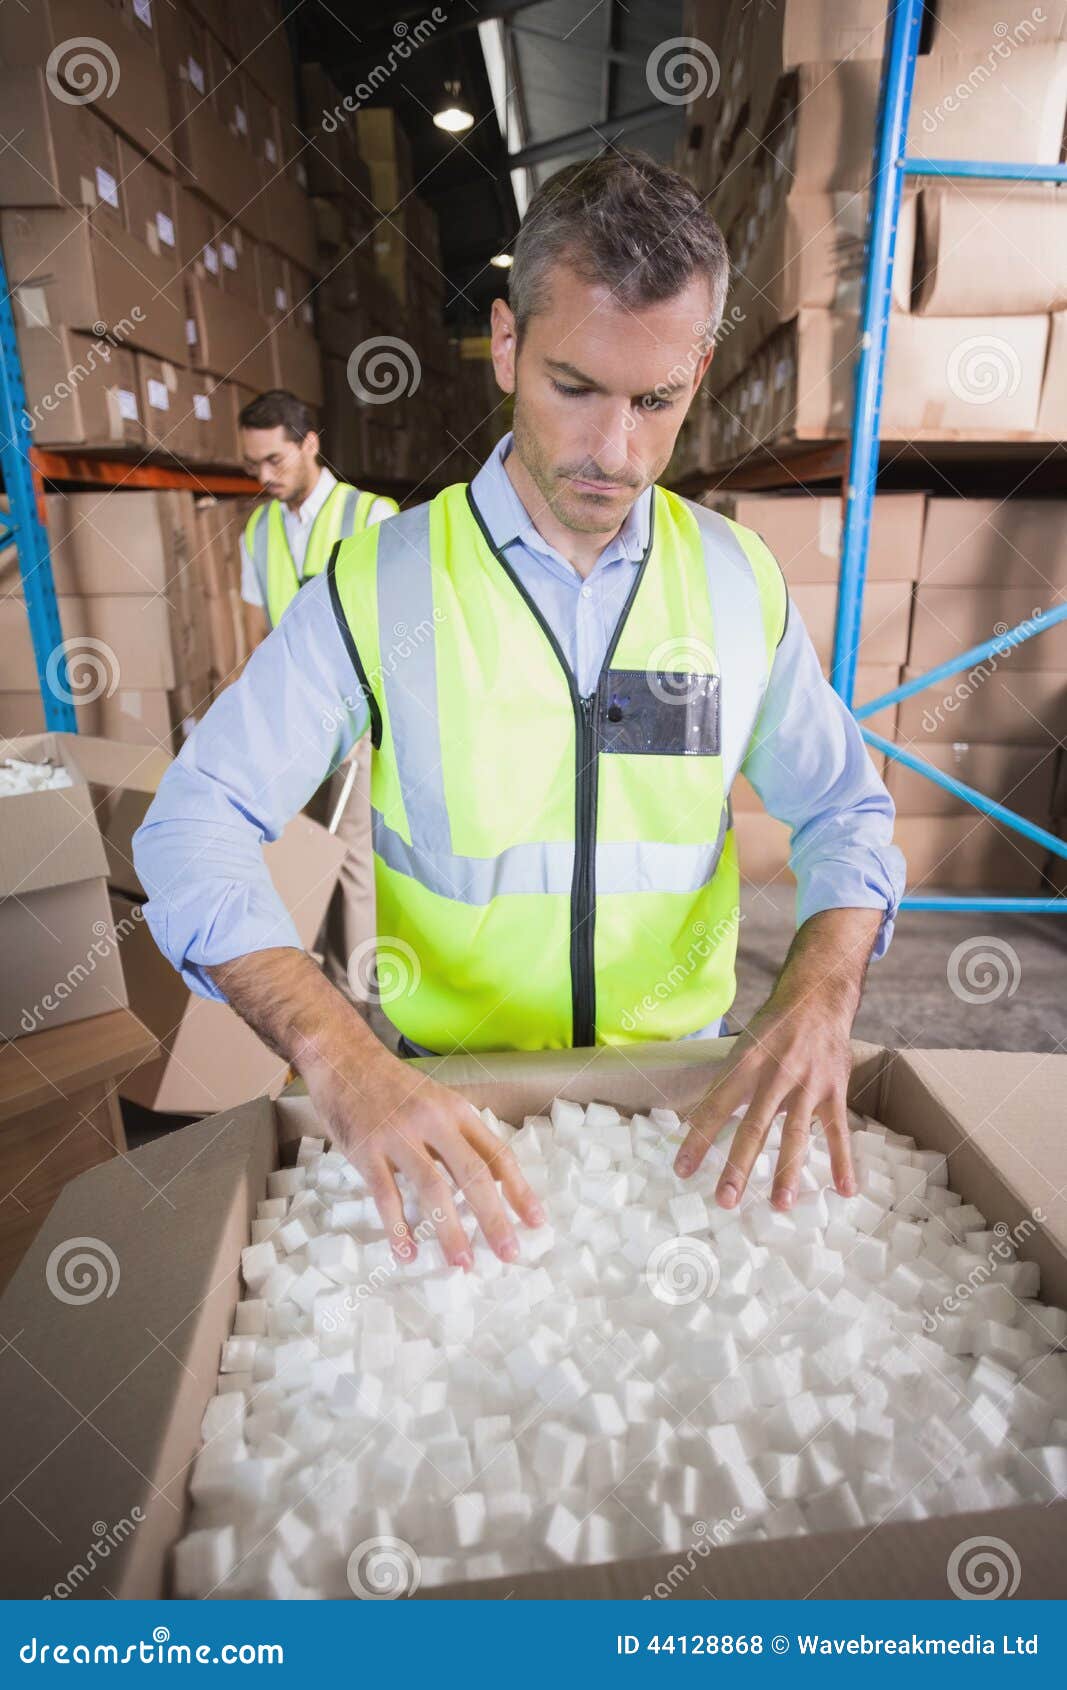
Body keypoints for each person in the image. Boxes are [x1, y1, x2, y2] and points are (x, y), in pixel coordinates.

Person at [134, 151, 906, 1274]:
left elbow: (845, 808)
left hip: (678, 1106)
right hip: (452, 1099)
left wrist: (818, 994)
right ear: (505, 343)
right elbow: (191, 824)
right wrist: (341, 1063)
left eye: (657, 400)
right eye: (573, 386)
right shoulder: (379, 585)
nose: (614, 451)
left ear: (697, 365)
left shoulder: (736, 585)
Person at [236, 389, 399, 1017]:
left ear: (310, 443)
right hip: (290, 721)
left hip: (355, 714)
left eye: (275, 460)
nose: (264, 476)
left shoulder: (371, 515)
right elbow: (257, 635)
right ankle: (312, 985)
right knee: (298, 846)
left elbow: (400, 626)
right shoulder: (259, 529)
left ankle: (356, 1003)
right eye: (254, 465)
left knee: (353, 852)